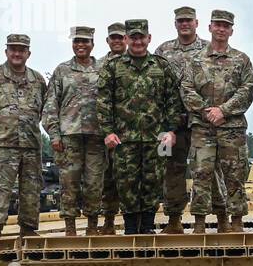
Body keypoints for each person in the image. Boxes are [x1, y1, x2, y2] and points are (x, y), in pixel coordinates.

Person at [98, 19, 181, 234]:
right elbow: (103, 102)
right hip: (123, 139)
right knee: (126, 184)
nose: (137, 41)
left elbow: (172, 100)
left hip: (159, 137)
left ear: (149, 38)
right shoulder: (113, 67)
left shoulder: (161, 66)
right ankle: (131, 229)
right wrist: (107, 132)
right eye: (133, 37)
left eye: (141, 37)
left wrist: (171, 131)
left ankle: (147, 227)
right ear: (126, 39)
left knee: (154, 182)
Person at [180, 10, 253, 233]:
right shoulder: (195, 61)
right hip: (203, 128)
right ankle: (200, 223)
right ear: (209, 27)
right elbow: (186, 89)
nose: (221, 29)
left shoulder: (241, 60)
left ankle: (236, 221)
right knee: (201, 174)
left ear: (231, 30)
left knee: (234, 174)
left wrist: (223, 110)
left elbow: (247, 89)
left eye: (226, 25)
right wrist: (206, 111)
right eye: (217, 25)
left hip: (231, 127)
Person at [0, 34, 47, 237]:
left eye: (21, 50)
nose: (17, 53)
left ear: (28, 53)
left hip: (31, 145)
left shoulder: (38, 79)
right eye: (13, 49)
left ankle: (28, 229)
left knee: (31, 190)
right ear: (6, 52)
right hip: (1, 145)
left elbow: (43, 108)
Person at [43, 26, 106, 235]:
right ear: (72, 44)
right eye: (77, 41)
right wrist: (53, 134)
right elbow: (51, 104)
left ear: (92, 44)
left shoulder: (102, 69)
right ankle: (70, 227)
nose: (81, 45)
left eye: (85, 41)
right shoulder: (62, 70)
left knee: (94, 182)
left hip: (97, 136)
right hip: (68, 136)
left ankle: (92, 226)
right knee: (68, 183)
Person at [155, 6, 209, 233]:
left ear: (196, 23)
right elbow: (154, 86)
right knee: (169, 169)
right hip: (168, 126)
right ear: (175, 24)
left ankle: (203, 221)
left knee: (204, 170)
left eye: (188, 20)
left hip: (201, 122)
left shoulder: (208, 49)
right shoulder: (162, 51)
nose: (184, 24)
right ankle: (173, 220)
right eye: (180, 21)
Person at [98, 22, 127, 234]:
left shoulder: (138, 62)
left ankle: (133, 223)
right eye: (113, 38)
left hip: (131, 132)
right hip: (105, 132)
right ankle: (108, 221)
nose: (117, 41)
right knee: (107, 179)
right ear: (107, 40)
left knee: (132, 179)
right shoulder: (98, 66)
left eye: (120, 37)